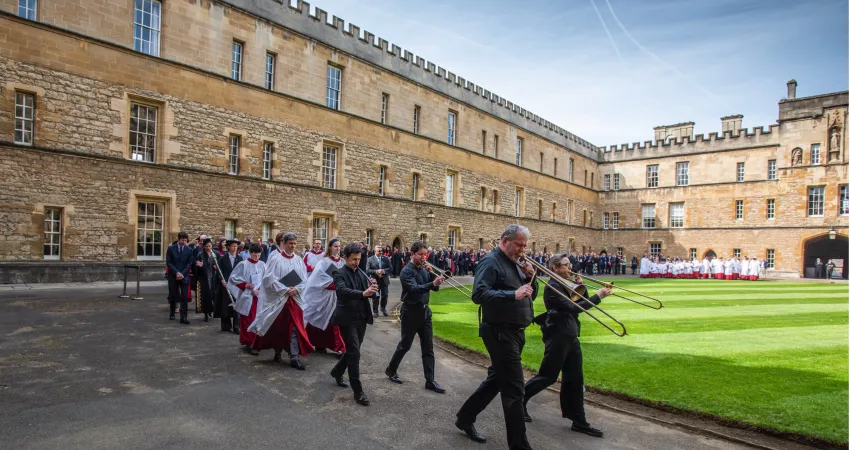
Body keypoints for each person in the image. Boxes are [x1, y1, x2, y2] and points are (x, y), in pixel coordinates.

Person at [455, 224, 538, 449]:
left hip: (516, 332)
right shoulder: (491, 262)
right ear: (505, 241)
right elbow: (478, 294)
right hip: (499, 332)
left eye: (524, 246)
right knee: (514, 389)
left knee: (497, 380)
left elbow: (531, 295)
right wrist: (512, 294)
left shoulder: (517, 263)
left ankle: (465, 418)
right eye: (519, 245)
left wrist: (531, 277)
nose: (522, 250)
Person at [523, 254, 610, 437]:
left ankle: (579, 420)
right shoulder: (553, 286)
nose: (570, 268)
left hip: (570, 334)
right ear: (555, 268)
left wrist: (582, 287)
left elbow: (579, 302)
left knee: (575, 379)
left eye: (569, 264)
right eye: (565, 265)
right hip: (558, 335)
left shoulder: (565, 283)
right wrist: (598, 296)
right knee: (548, 376)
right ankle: (518, 400)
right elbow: (574, 307)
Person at [385, 240, 447, 392]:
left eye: (425, 254)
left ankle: (430, 381)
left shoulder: (425, 269)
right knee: (405, 345)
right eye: (420, 254)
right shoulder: (406, 271)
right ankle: (391, 370)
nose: (424, 257)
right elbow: (414, 289)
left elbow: (433, 288)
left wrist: (434, 278)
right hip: (410, 312)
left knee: (428, 348)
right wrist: (433, 283)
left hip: (425, 312)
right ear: (412, 254)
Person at [249, 232, 313, 369]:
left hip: (294, 299)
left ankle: (294, 356)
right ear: (284, 243)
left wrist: (297, 289)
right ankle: (277, 351)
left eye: (295, 244)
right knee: (279, 327)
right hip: (279, 299)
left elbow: (304, 279)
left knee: (295, 327)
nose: (293, 246)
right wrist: (284, 289)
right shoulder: (275, 259)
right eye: (290, 243)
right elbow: (268, 279)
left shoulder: (299, 260)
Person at [330, 243, 378, 406]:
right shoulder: (338, 273)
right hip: (346, 318)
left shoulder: (361, 272)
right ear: (345, 258)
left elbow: (370, 294)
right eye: (353, 259)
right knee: (355, 353)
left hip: (361, 317)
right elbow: (342, 291)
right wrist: (363, 293)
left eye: (358, 259)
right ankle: (358, 392)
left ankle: (337, 371)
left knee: (353, 350)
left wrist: (372, 288)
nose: (356, 262)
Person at [302, 238, 347, 355]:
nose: (338, 248)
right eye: (335, 246)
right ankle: (319, 343)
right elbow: (316, 277)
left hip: (338, 295)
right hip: (325, 295)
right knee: (320, 318)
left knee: (336, 321)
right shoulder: (324, 262)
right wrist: (333, 283)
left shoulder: (343, 262)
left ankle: (339, 347)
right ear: (330, 247)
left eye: (339, 246)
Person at [228, 244, 266, 355]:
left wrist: (259, 290)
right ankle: (249, 343)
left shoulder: (262, 265)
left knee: (258, 318)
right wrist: (245, 285)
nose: (257, 258)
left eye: (259, 255)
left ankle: (257, 341)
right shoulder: (243, 264)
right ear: (250, 253)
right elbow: (233, 278)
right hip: (247, 296)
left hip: (259, 296)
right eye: (255, 255)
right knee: (248, 320)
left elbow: (266, 279)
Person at [166, 232, 194, 324]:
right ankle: (172, 312)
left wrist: (182, 273)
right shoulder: (171, 248)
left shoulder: (189, 250)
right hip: (173, 275)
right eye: (182, 240)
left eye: (185, 240)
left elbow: (189, 263)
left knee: (184, 297)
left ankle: (184, 317)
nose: (184, 242)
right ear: (178, 239)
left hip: (184, 276)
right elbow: (168, 262)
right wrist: (177, 273)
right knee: (173, 295)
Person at [216, 239, 242, 332]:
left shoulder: (240, 259)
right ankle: (226, 326)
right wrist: (222, 280)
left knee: (237, 305)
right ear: (228, 247)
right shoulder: (222, 259)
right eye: (233, 246)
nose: (235, 248)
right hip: (226, 285)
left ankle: (236, 326)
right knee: (225, 305)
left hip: (236, 286)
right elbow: (219, 272)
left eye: (236, 246)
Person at [194, 238, 221, 322]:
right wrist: (201, 266)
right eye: (206, 246)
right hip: (204, 277)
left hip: (213, 276)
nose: (208, 248)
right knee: (206, 295)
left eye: (209, 246)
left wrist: (217, 267)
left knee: (213, 294)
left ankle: (211, 310)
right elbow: (197, 267)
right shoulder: (200, 254)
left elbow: (219, 264)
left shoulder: (215, 253)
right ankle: (206, 312)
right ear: (203, 246)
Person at [367, 244, 392, 317]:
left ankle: (383, 308)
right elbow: (367, 270)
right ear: (375, 251)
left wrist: (383, 271)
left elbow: (390, 268)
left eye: (381, 251)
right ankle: (375, 312)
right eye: (379, 251)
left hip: (384, 280)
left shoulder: (386, 259)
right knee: (375, 297)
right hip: (375, 281)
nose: (381, 252)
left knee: (385, 295)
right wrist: (376, 272)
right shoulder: (370, 259)